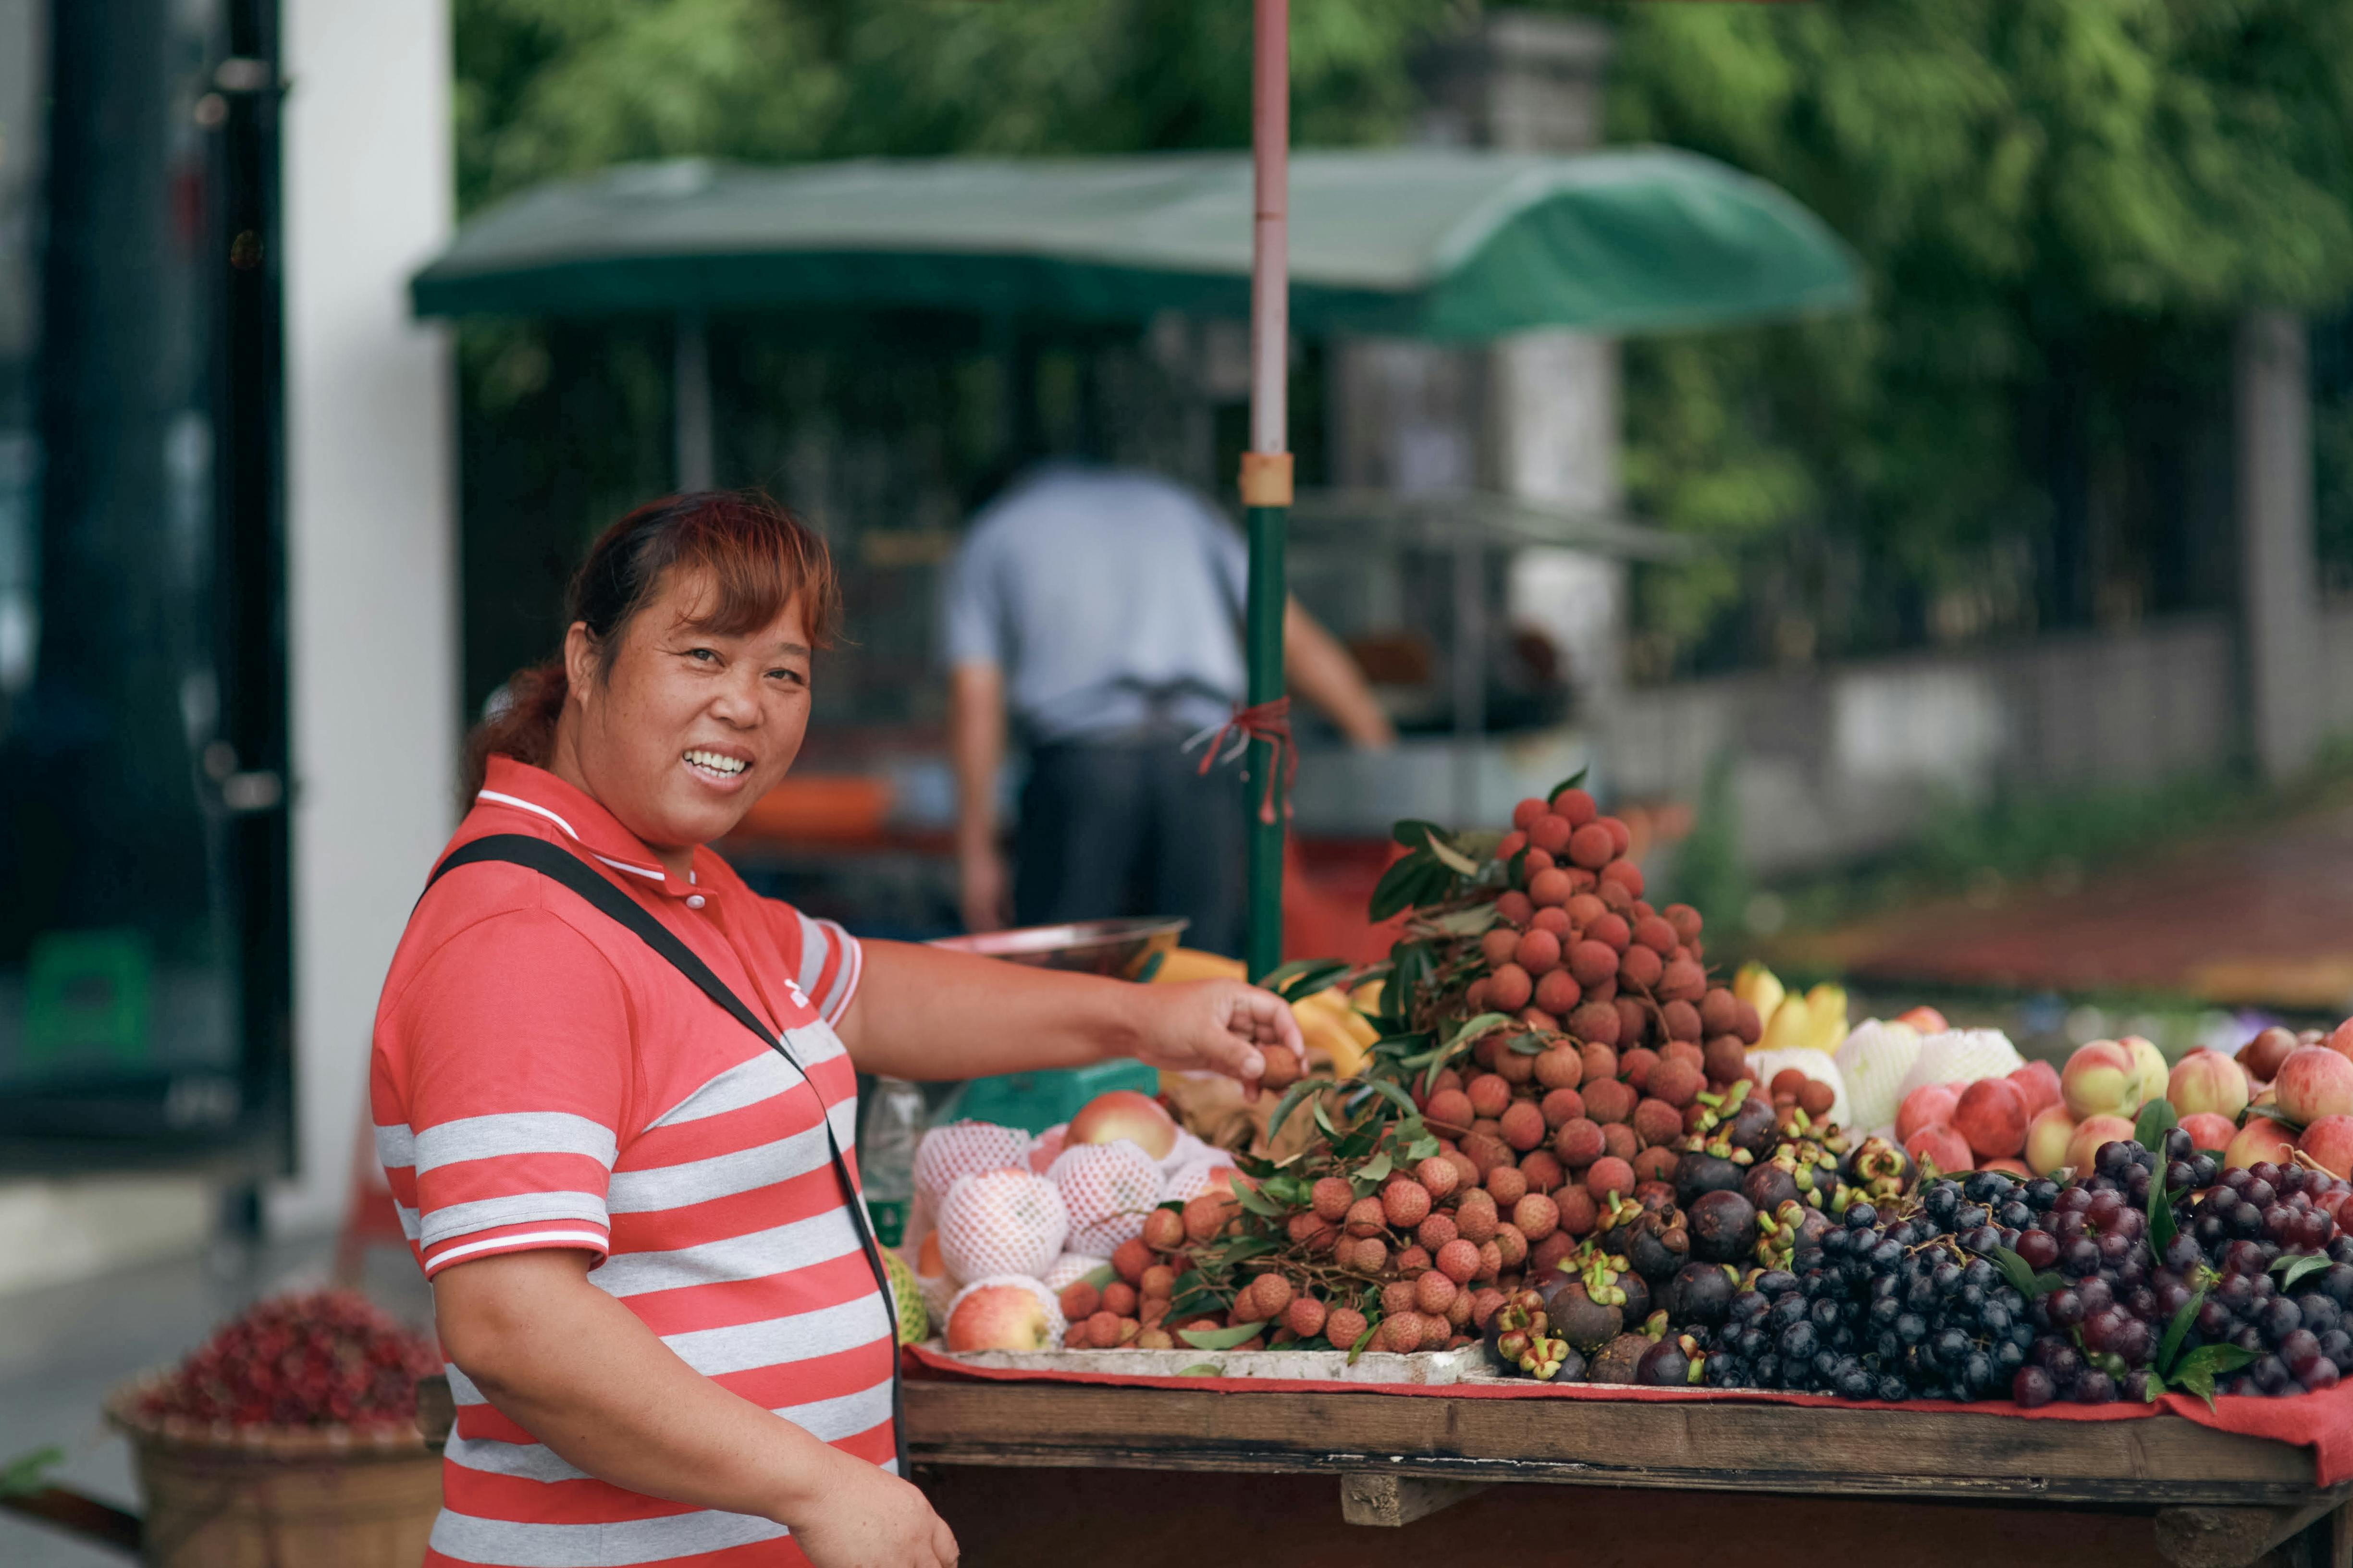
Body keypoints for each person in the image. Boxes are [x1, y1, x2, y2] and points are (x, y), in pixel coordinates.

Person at [372, 492, 1302, 1568]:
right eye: (703, 656)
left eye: (784, 672)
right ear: (587, 661)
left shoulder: (671, 886)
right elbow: (510, 1324)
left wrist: (1148, 1018)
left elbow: (866, 997)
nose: (746, 707)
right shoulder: (526, 937)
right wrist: (813, 1486)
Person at [943, 462, 1393, 951]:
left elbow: (975, 699)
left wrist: (975, 854)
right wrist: (1376, 744)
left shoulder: (991, 534)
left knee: (1065, 976)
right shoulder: (1176, 506)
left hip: (1085, 769)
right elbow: (1286, 631)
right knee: (1205, 975)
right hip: (1201, 758)